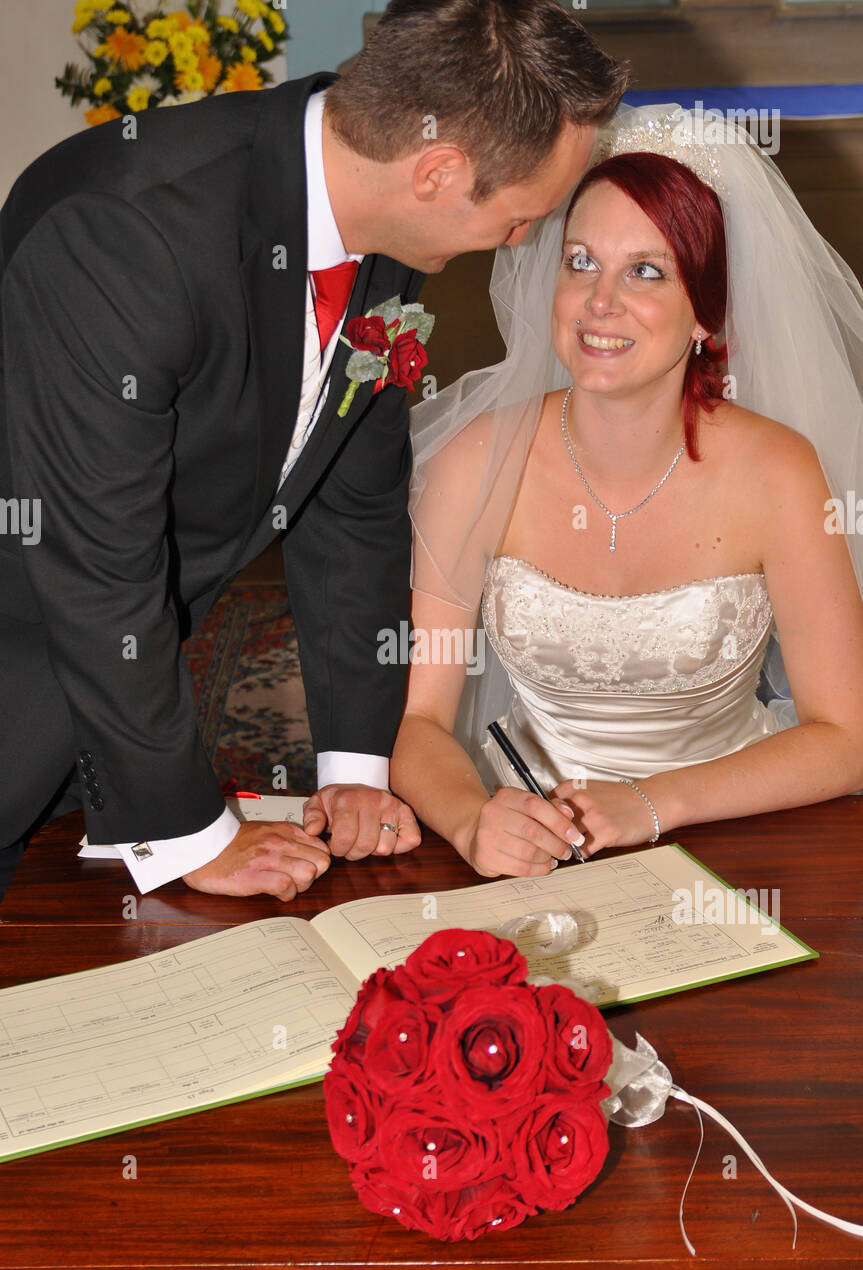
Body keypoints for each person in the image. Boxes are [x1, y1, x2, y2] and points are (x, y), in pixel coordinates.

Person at [0, 0, 626, 901]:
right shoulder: (125, 229)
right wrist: (187, 832)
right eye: (523, 215)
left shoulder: (378, 218)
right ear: (440, 171)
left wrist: (355, 768)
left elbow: (353, 501)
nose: (521, 239)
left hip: (115, 702)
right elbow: (97, 564)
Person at [392, 102, 863, 879]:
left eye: (645, 271)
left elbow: (845, 737)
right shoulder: (474, 464)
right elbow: (419, 722)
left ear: (706, 315)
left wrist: (650, 802)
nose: (598, 301)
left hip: (727, 833)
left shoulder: (779, 474)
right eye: (581, 261)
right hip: (529, 846)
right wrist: (474, 820)